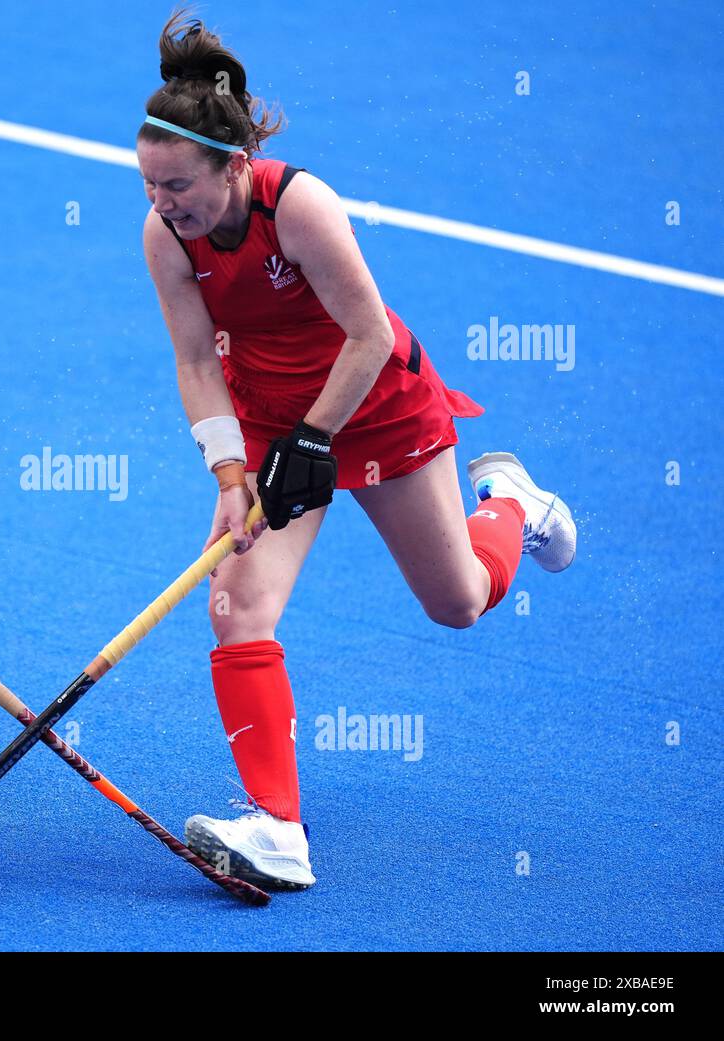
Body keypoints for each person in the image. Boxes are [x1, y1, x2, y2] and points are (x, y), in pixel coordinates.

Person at [136, 14, 576, 890]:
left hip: (375, 402)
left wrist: (315, 439)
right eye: (148, 184)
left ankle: (515, 506)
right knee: (235, 603)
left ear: (232, 166)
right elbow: (194, 359)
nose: (163, 203)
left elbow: (368, 333)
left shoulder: (297, 203)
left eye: (177, 184)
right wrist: (232, 473)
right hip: (269, 418)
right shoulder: (166, 238)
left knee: (457, 602)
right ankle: (277, 829)